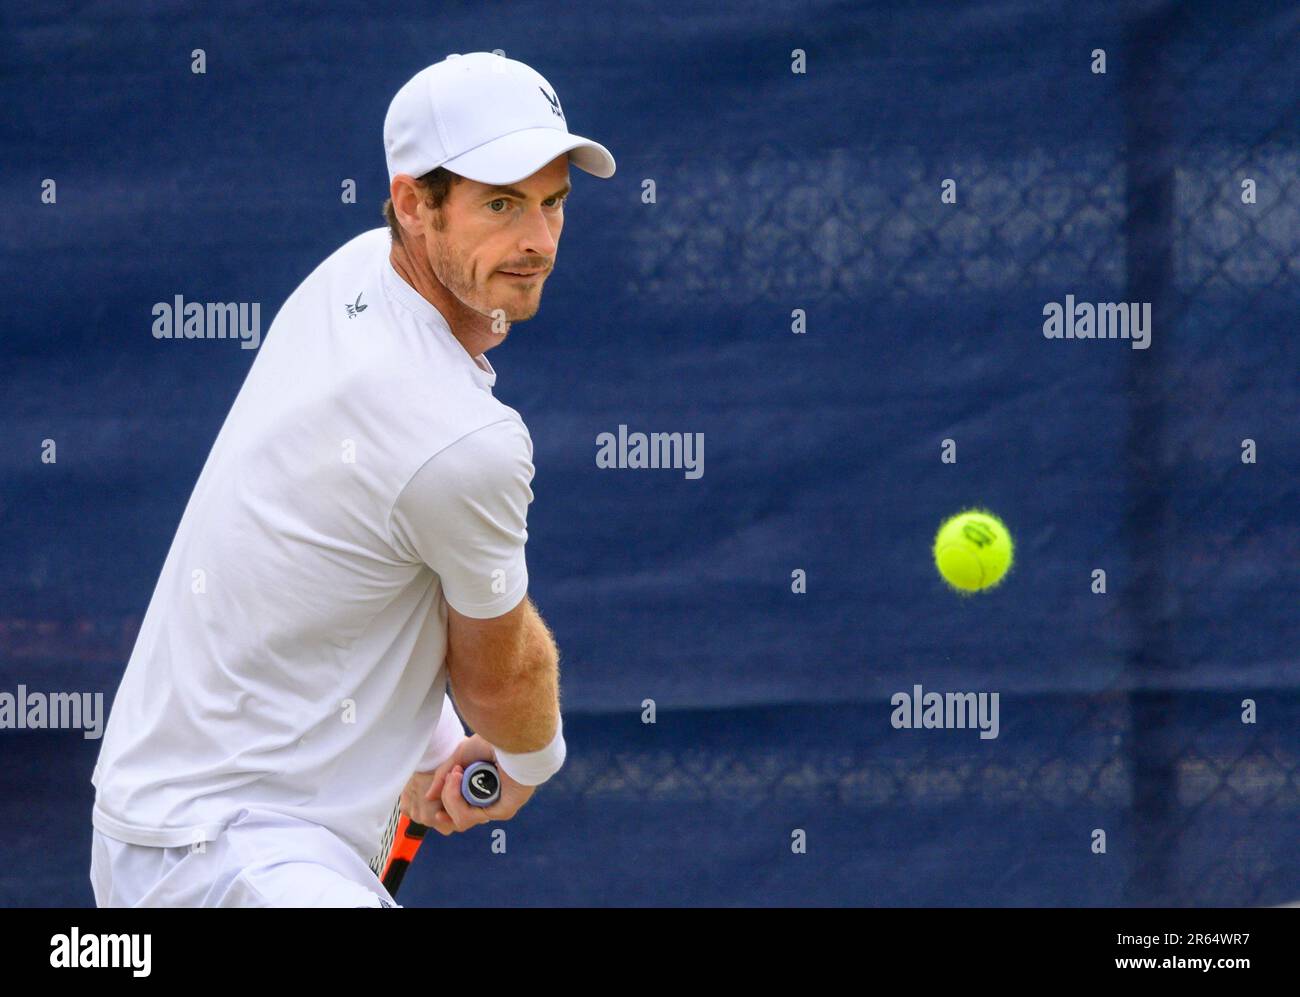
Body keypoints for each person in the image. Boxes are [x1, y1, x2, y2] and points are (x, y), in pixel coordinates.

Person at [89, 51, 616, 907]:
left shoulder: (354, 277)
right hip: (234, 857)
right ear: (414, 202)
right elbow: (502, 678)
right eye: (502, 203)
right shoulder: (463, 439)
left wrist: (432, 745)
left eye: (553, 202)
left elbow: (346, 572)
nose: (539, 241)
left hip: (163, 831)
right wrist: (528, 758)